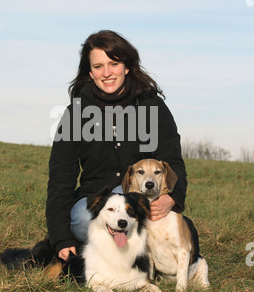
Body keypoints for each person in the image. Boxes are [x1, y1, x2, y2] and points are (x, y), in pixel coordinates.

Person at [46, 30, 187, 261]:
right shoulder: (76, 113)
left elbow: (172, 159)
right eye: (99, 66)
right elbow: (61, 177)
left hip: (140, 197)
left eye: (114, 63)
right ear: (90, 72)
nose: (107, 73)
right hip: (96, 197)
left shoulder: (152, 107)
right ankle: (125, 255)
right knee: (82, 221)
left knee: (154, 215)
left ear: (127, 67)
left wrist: (173, 197)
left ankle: (148, 252)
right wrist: (61, 238)